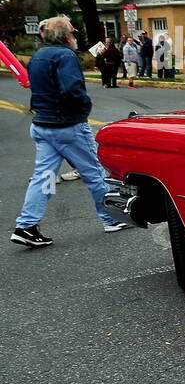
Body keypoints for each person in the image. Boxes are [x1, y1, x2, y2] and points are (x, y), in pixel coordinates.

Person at [11, 15, 127, 247]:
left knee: (44, 177)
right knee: (94, 171)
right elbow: (72, 89)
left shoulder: (38, 56)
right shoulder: (65, 55)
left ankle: (26, 225)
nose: (74, 37)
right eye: (72, 33)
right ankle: (110, 217)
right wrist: (84, 108)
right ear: (66, 36)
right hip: (67, 125)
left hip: (42, 124)